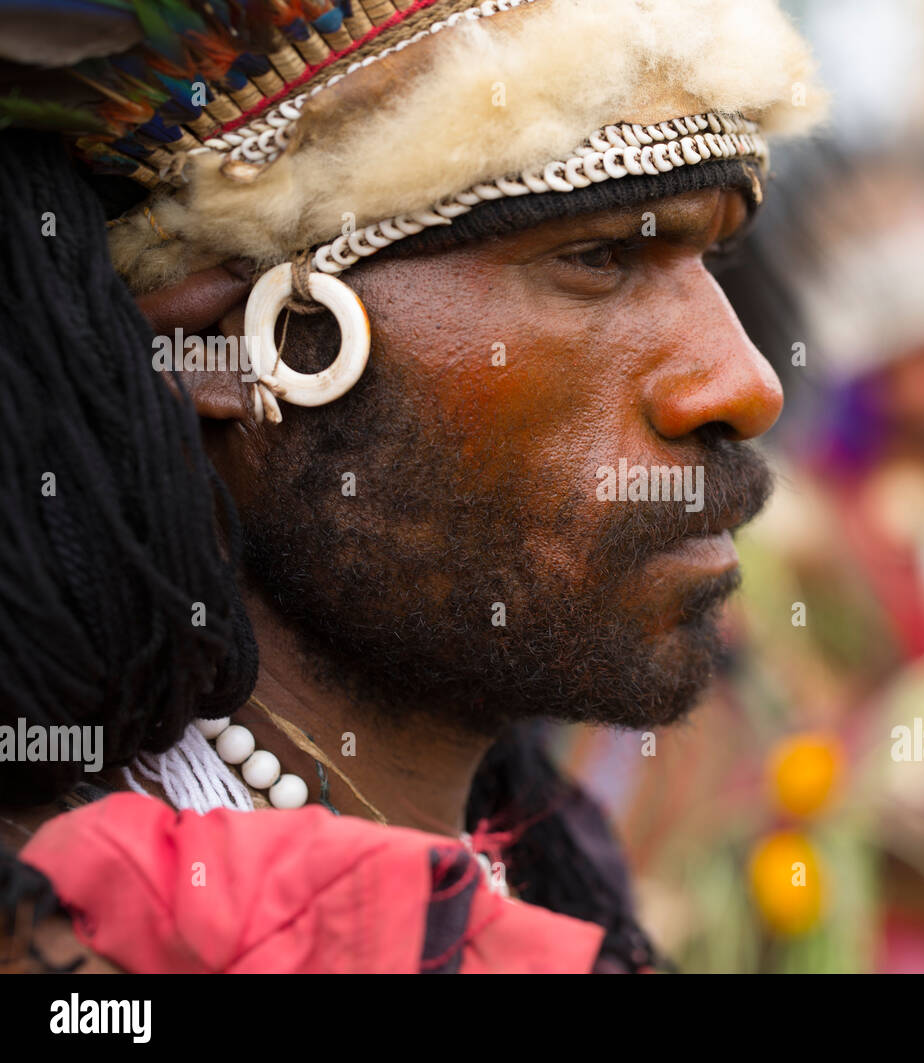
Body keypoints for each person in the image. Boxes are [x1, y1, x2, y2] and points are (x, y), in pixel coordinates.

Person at [0, 0, 823, 973]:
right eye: (595, 256)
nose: (744, 384)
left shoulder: (560, 876)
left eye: (710, 255)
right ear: (233, 347)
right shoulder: (79, 939)